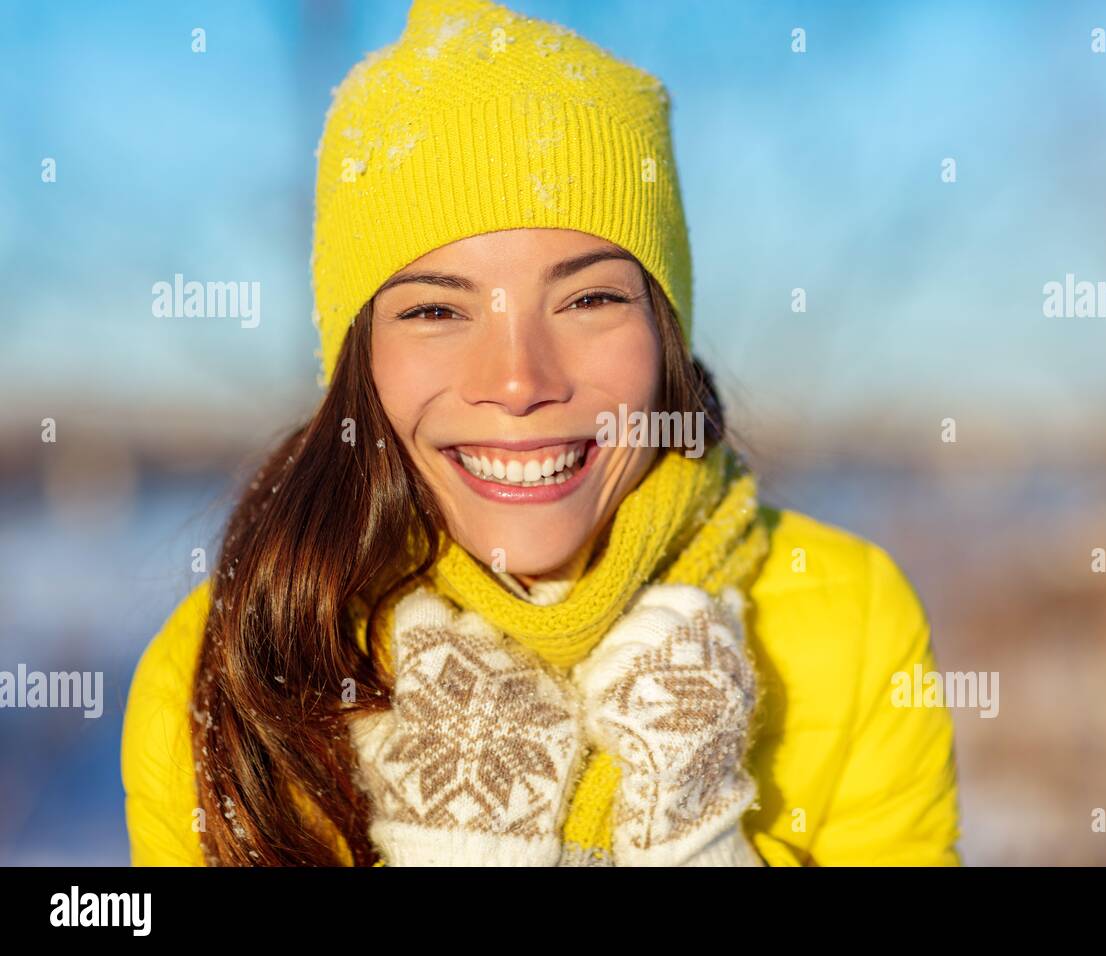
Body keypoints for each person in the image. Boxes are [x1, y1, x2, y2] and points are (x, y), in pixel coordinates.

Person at [121, 0, 962, 867]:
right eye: (436, 309)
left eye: (589, 299)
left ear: (665, 329)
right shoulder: (232, 668)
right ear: (357, 364)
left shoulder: (850, 617)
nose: (519, 381)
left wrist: (700, 844)